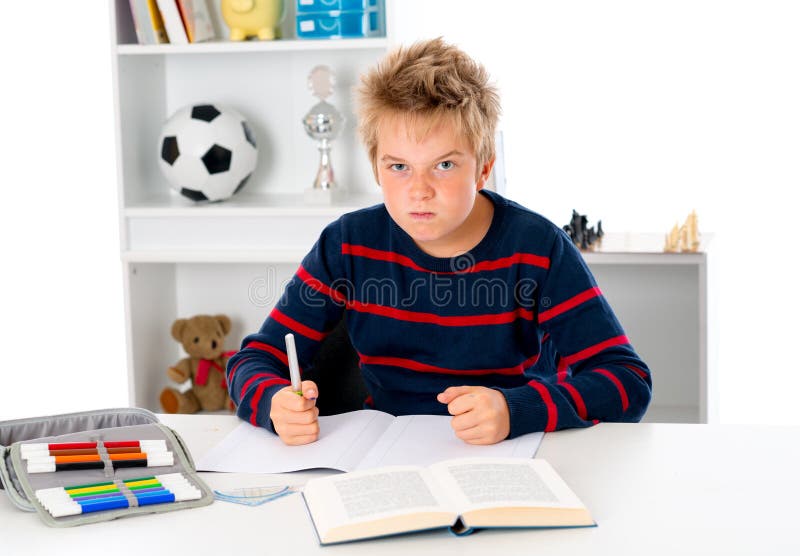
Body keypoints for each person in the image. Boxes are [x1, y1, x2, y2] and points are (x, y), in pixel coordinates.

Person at [226, 38, 652, 446]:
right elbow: (255, 360)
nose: (419, 190)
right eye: (398, 167)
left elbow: (627, 381)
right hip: (386, 456)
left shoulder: (537, 246)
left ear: (483, 169)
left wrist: (517, 409)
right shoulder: (347, 244)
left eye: (444, 165)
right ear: (376, 168)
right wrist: (272, 403)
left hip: (510, 455)